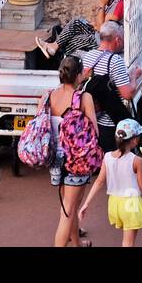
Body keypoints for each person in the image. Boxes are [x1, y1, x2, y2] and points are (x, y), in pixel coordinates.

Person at [43, 56, 98, 247]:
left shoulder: (49, 95)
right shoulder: (84, 97)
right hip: (76, 160)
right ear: (79, 75)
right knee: (67, 210)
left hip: (55, 159)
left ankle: (77, 244)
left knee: (69, 205)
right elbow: (94, 131)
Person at [79, 118, 142, 247]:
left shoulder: (107, 157)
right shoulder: (137, 160)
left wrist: (86, 203)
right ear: (135, 140)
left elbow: (99, 181)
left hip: (114, 203)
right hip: (131, 204)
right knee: (128, 243)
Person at [81, 21, 135, 152]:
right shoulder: (115, 61)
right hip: (110, 124)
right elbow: (127, 94)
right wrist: (134, 76)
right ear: (117, 40)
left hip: (91, 120)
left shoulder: (88, 56)